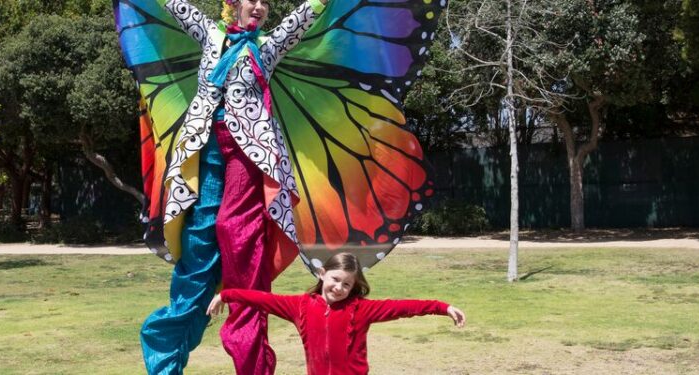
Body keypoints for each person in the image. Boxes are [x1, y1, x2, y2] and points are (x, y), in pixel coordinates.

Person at [134, 0, 329, 374]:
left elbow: (302, 17)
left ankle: (253, 365)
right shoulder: (211, 34)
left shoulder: (268, 47)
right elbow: (177, 8)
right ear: (233, 5)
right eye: (252, 0)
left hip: (249, 150)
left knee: (237, 235)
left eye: (265, 3)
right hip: (205, 144)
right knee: (199, 245)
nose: (259, 7)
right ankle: (166, 361)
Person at [207, 252, 466, 374]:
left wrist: (442, 307)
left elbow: (404, 307)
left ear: (354, 286)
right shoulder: (300, 305)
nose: (339, 288)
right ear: (322, 274)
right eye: (335, 279)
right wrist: (226, 295)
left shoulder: (362, 309)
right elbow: (262, 299)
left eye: (347, 284)